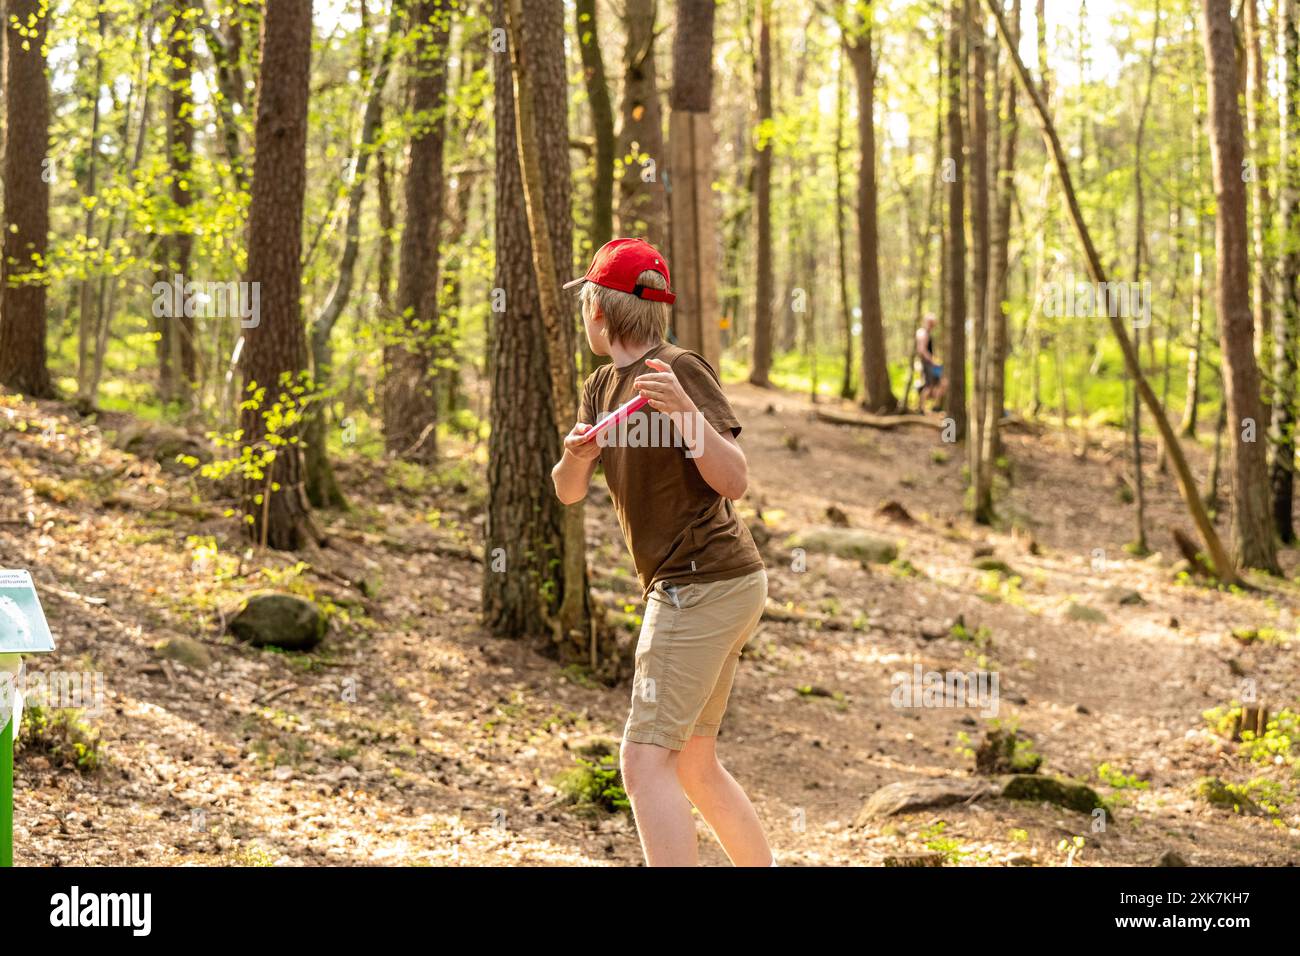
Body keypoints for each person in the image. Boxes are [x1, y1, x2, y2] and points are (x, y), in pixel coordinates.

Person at [550, 237, 774, 867]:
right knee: (695, 764)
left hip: (700, 582)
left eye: (586, 307)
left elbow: (733, 481)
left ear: (598, 312)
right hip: (716, 586)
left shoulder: (681, 369)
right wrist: (577, 456)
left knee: (644, 763)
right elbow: (567, 494)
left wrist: (685, 415)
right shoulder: (601, 388)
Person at [915, 313, 947, 410]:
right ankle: (922, 408)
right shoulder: (923, 333)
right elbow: (921, 349)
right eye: (931, 323)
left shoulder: (926, 333)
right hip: (927, 363)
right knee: (928, 386)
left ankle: (935, 406)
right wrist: (931, 360)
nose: (932, 326)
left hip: (929, 363)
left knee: (941, 383)